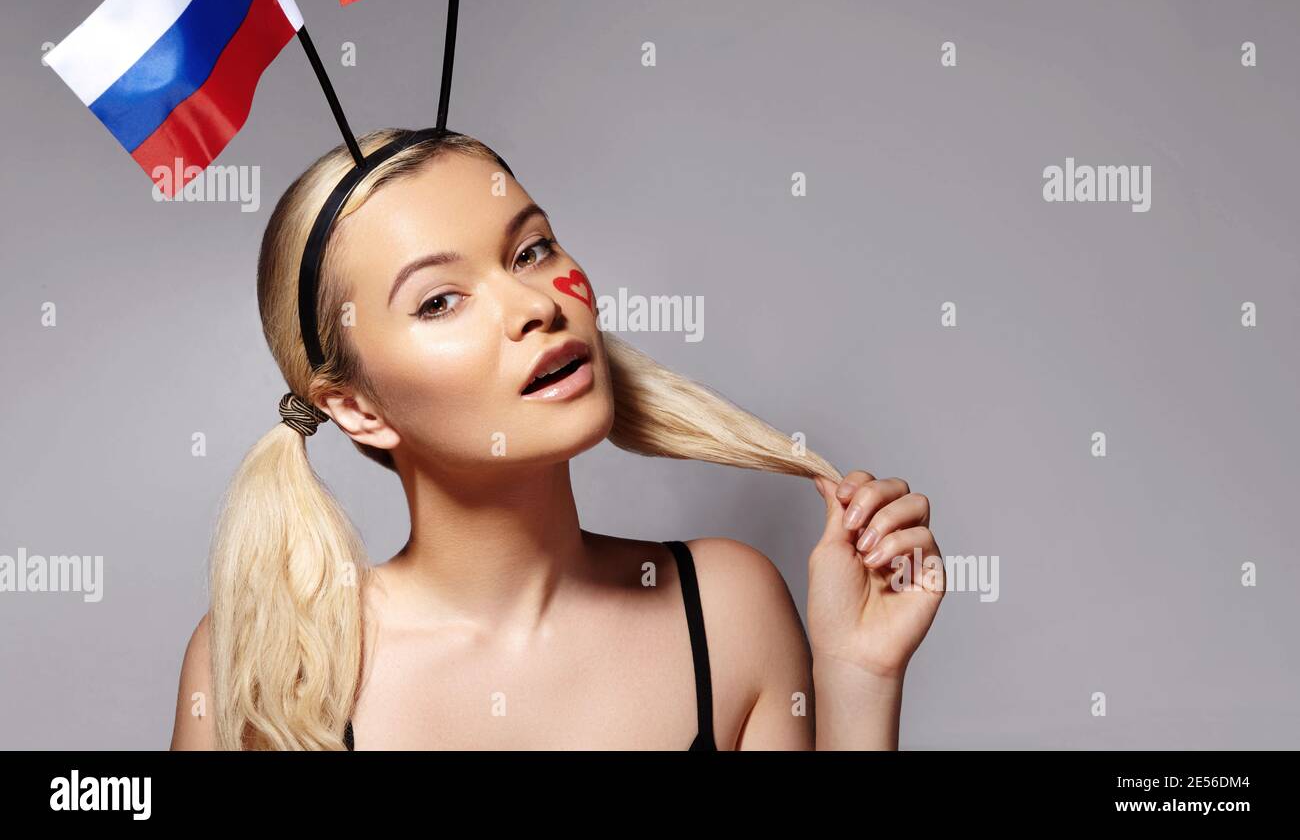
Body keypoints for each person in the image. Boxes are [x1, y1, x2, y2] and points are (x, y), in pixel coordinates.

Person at [169, 128, 944, 750]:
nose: (533, 304)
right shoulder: (272, 660)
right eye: (439, 300)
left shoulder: (726, 610)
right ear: (357, 408)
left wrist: (857, 678)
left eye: (531, 250)